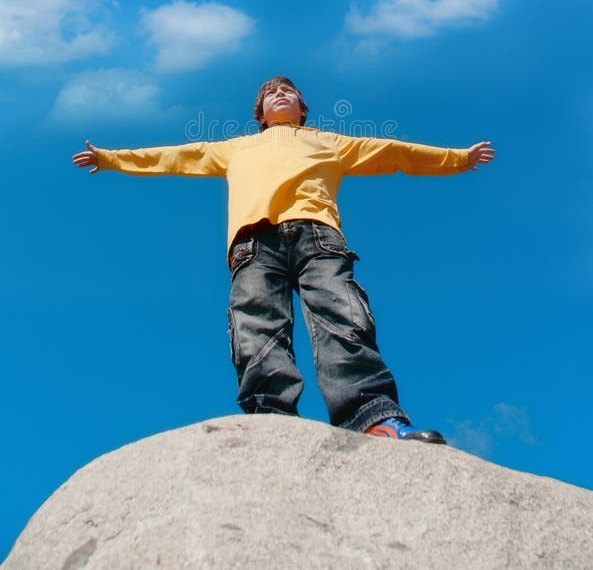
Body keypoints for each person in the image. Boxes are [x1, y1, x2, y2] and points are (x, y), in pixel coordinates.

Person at [72, 76, 495, 444]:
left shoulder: (330, 142)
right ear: (259, 113)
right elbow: (176, 157)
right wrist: (109, 158)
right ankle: (270, 424)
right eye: (270, 92)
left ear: (302, 109)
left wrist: (458, 158)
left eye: (287, 90)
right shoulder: (236, 147)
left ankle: (372, 417)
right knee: (258, 327)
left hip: (319, 236)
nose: (279, 93)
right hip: (254, 242)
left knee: (342, 319)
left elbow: (394, 152)